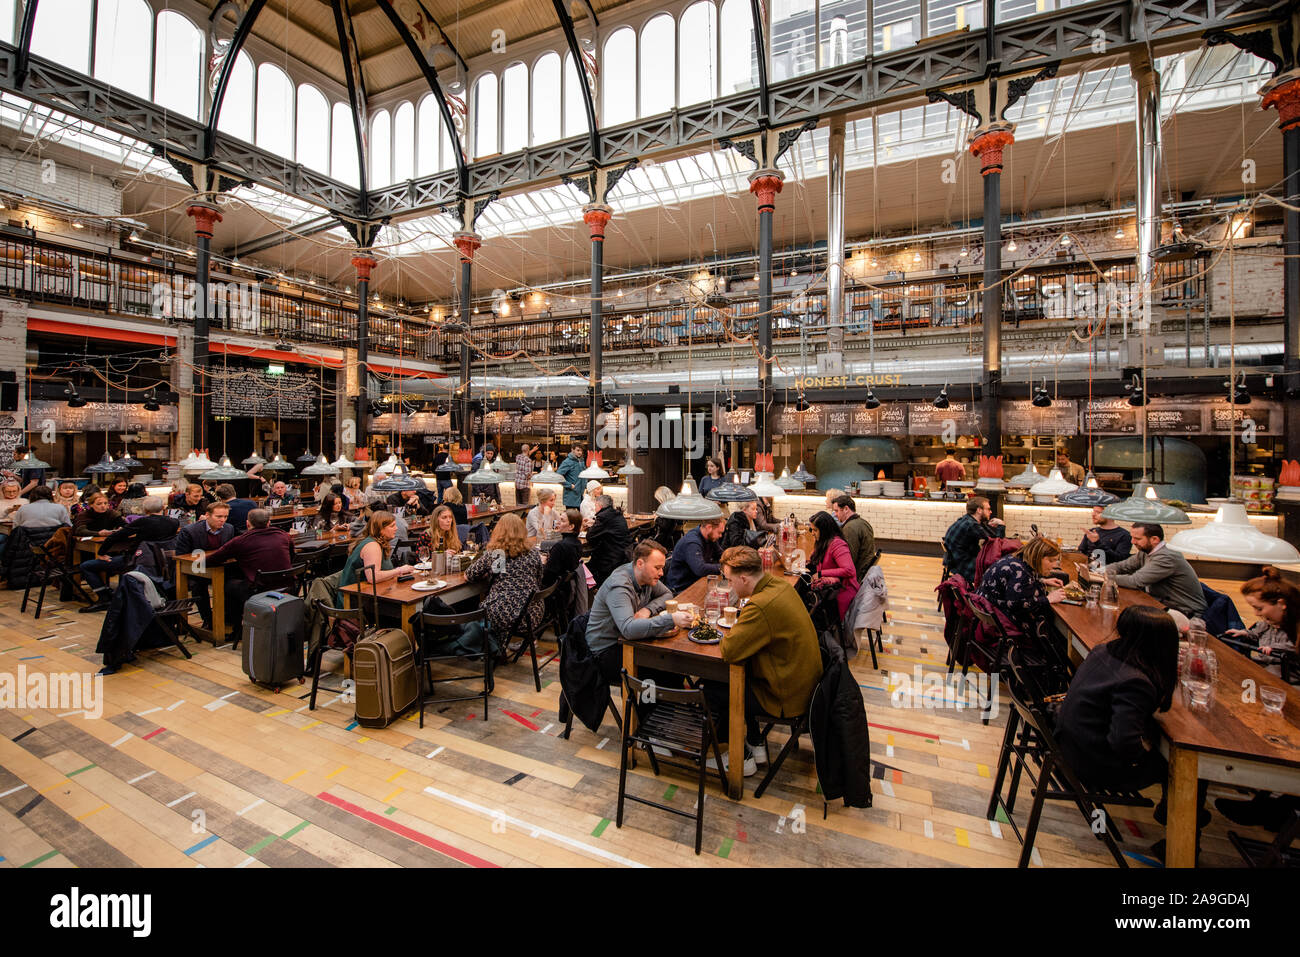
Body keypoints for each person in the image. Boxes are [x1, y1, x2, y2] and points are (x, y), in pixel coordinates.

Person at [1055, 605, 1205, 862]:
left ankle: (1179, 815)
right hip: (1090, 764)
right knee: (1186, 767)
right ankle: (1183, 841)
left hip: (1066, 745)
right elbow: (1123, 742)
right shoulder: (1136, 680)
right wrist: (1146, 752)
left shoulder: (1103, 651)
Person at [708, 545, 822, 769]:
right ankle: (755, 742)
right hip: (803, 684)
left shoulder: (760, 605)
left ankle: (740, 759)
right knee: (742, 674)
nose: (728, 587)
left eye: (729, 581)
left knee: (713, 688)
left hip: (785, 697)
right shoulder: (778, 585)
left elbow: (730, 650)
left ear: (743, 579)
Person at [583, 540, 693, 683]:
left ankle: (659, 702)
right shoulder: (620, 586)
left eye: (662, 568)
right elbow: (628, 630)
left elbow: (667, 594)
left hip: (626, 642)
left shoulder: (645, 576)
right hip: (604, 652)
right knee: (664, 671)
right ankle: (647, 705)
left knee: (674, 664)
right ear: (640, 564)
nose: (661, 573)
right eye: (657, 568)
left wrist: (647, 609)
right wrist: (671, 619)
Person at [204, 508, 296, 635]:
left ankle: (236, 628)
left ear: (248, 524)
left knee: (227, 585)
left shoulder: (240, 541)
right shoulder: (284, 536)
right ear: (269, 522)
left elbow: (212, 560)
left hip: (258, 589)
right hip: (287, 586)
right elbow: (292, 556)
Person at [79, 496, 180, 609]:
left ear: (145, 510)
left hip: (137, 561)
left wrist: (101, 553)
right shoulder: (174, 523)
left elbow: (114, 537)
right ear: (163, 507)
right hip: (164, 562)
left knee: (86, 566)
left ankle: (104, 597)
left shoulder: (142, 522)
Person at [976, 536, 1068, 656]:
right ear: (1037, 557)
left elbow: (1013, 586)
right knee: (1055, 632)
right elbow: (1017, 605)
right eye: (1051, 561)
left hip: (989, 609)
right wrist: (1048, 599)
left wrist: (1041, 581)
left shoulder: (1016, 559)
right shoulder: (1021, 574)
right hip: (1001, 620)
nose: (1054, 565)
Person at [464, 513, 543, 639]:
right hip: (533, 612)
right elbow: (538, 580)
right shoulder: (533, 552)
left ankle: (490, 645)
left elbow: (469, 576)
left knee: (478, 610)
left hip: (505, 612)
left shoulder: (498, 554)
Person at [1105, 522, 1207, 618]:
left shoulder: (1166, 557)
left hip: (1185, 613)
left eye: (1137, 538)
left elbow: (1135, 581)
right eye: (1132, 537)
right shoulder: (1145, 551)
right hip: (1161, 604)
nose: (1132, 542)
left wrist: (1102, 576)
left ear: (1154, 539)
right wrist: (1100, 571)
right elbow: (1122, 566)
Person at [173, 502, 236, 630]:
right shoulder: (190, 531)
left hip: (220, 567)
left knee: (234, 583)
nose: (222, 520)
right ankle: (208, 619)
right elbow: (182, 556)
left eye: (225, 517)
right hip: (196, 568)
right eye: (219, 517)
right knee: (198, 586)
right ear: (207, 515)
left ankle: (227, 619)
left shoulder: (229, 528)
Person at [1224, 567, 1300, 668]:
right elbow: (1256, 633)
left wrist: (1275, 648)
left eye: (1259, 608)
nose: (1256, 613)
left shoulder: (1294, 630)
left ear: (1281, 603)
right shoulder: (1268, 624)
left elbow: (1292, 648)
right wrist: (1245, 633)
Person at [338, 511, 413, 588]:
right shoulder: (372, 546)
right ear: (380, 529)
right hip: (355, 596)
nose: (396, 528)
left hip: (371, 591)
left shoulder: (379, 542)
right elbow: (373, 577)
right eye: (392, 526)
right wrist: (399, 570)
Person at [808, 510, 860, 622]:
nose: (812, 533)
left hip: (840, 593)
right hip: (830, 591)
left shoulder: (837, 544)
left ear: (825, 531)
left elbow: (849, 570)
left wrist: (821, 573)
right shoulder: (825, 542)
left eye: (815, 530)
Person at [942, 496, 1005, 583]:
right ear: (979, 510)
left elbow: (992, 538)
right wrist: (1001, 525)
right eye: (988, 509)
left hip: (953, 562)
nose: (990, 512)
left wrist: (986, 526)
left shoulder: (967, 520)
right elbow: (996, 544)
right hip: (963, 566)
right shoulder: (972, 525)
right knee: (999, 569)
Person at [663, 513, 724, 593]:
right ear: (709, 527)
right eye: (719, 532)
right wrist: (724, 568)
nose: (721, 536)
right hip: (680, 589)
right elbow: (700, 569)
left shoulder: (710, 537)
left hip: (695, 583)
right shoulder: (692, 542)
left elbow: (722, 555)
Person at [586, 494, 630, 587]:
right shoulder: (617, 514)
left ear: (600, 506)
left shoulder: (603, 517)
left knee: (584, 569)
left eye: (595, 506)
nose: (595, 508)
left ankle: (591, 592)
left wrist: (591, 527)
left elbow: (590, 537)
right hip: (621, 556)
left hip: (609, 560)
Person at [832, 494, 876, 583]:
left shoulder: (850, 528)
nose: (835, 515)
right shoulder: (863, 523)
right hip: (865, 572)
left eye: (836, 511)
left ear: (846, 509)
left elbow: (848, 561)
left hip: (857, 576)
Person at [540, 508, 582, 593]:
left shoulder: (560, 546)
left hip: (554, 593)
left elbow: (548, 576)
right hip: (566, 589)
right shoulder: (577, 543)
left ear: (571, 527)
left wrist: (542, 563)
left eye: (562, 520)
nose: (558, 522)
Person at [558, 443, 585, 509]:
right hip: (571, 495)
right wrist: (570, 485)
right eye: (578, 450)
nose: (580, 453)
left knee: (579, 517)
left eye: (581, 451)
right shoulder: (567, 462)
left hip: (580, 494)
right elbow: (558, 476)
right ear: (572, 450)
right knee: (570, 517)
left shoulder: (581, 461)